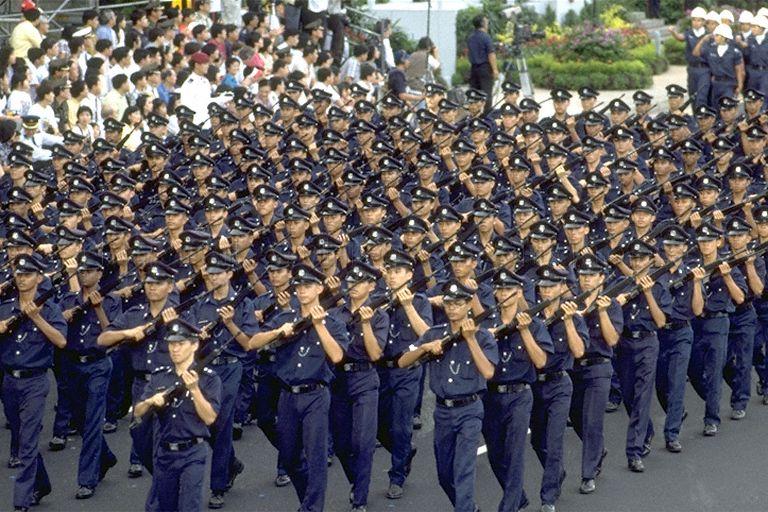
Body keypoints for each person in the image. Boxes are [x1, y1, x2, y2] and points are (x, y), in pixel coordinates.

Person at [247, 263, 348, 512]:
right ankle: (308, 499)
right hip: (288, 395)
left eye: (308, 286)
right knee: (290, 457)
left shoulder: (332, 321)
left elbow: (336, 356)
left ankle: (313, 507)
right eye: (299, 287)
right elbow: (252, 342)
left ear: (319, 288)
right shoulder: (285, 318)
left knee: (316, 456)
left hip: (316, 393)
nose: (302, 291)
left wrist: (319, 325)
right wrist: (277, 333)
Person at [399, 279, 497, 512]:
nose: (452, 308)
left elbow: (488, 372)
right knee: (444, 474)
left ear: (469, 305)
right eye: (449, 303)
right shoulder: (435, 334)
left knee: (464, 470)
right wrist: (424, 348)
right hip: (442, 412)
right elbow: (402, 362)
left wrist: (471, 339)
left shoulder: (483, 337)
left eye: (459, 303)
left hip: (469, 409)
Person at [0, 254, 67, 512]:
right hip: (9, 381)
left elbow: (61, 341)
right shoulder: (6, 308)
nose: (22, 278)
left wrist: (37, 318)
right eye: (18, 274)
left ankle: (21, 500)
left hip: (35, 381)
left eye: (27, 274)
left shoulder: (49, 309)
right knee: (20, 433)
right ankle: (42, 483)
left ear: (39, 278)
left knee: (28, 440)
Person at [133, 318, 221, 512]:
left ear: (194, 345)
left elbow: (210, 418)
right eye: (172, 344)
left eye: (180, 344)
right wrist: (150, 401)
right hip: (165, 452)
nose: (174, 349)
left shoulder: (208, 378)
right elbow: (138, 412)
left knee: (189, 506)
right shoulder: (160, 376)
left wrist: (195, 390)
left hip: (193, 452)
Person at [669, 7, 711, 106]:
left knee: (701, 96)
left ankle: (702, 117)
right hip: (692, 68)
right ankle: (696, 119)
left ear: (704, 22)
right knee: (693, 95)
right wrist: (673, 32)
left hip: (704, 68)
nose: (696, 22)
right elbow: (681, 38)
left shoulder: (708, 35)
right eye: (694, 20)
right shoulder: (689, 33)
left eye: (699, 20)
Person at [467, 15, 498, 112]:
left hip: (473, 69)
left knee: (474, 95)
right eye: (486, 21)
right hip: (484, 68)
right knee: (486, 94)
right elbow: (491, 54)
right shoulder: (486, 37)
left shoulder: (471, 37)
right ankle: (487, 116)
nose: (488, 23)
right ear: (482, 23)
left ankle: (474, 115)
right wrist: (495, 70)